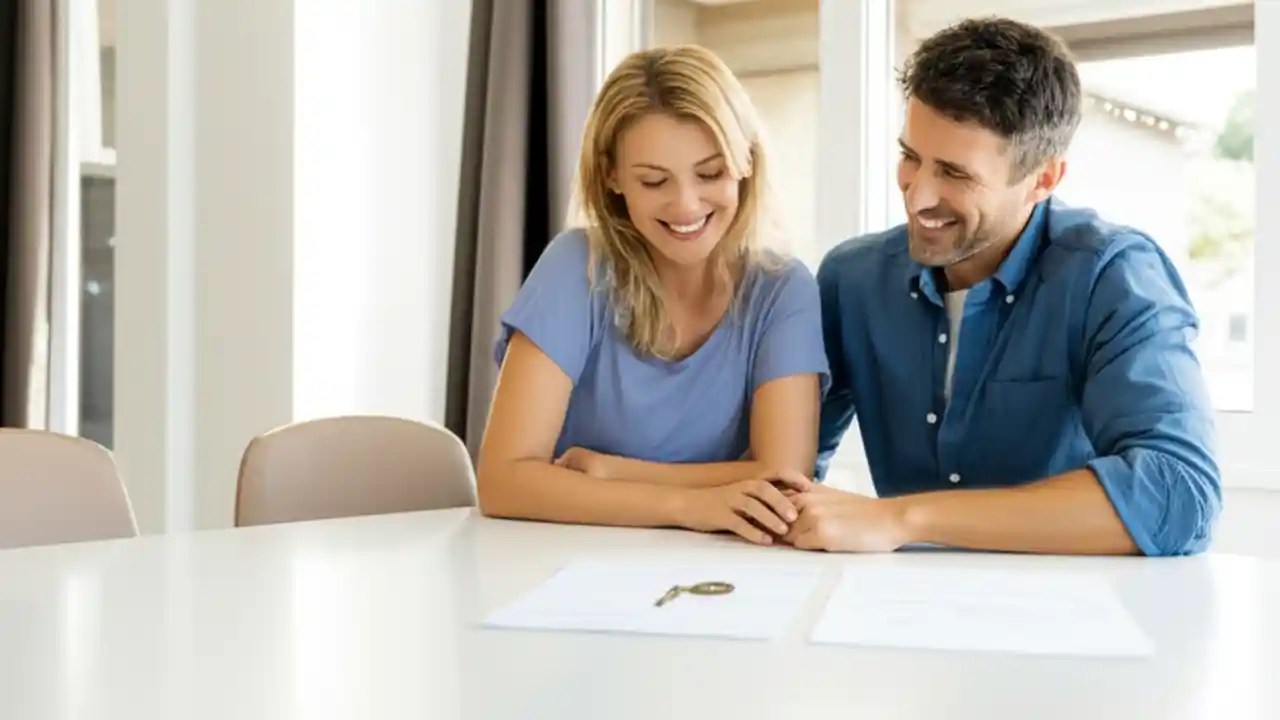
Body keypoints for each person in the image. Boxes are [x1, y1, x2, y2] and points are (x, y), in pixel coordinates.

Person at [794, 17, 1221, 556]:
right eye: (910, 157)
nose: (917, 196)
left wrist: (906, 518)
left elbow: (1180, 497)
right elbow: (780, 470)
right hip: (897, 606)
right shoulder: (850, 280)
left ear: (1043, 179)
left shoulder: (1111, 276)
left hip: (1067, 612)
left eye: (954, 173)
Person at [477, 45, 829, 546]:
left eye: (710, 173)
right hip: (564, 560)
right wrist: (689, 504)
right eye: (654, 181)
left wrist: (614, 472)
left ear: (746, 161)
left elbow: (783, 481)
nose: (686, 205)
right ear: (612, 176)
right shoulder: (577, 266)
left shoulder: (783, 289)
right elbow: (503, 482)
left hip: (730, 570)